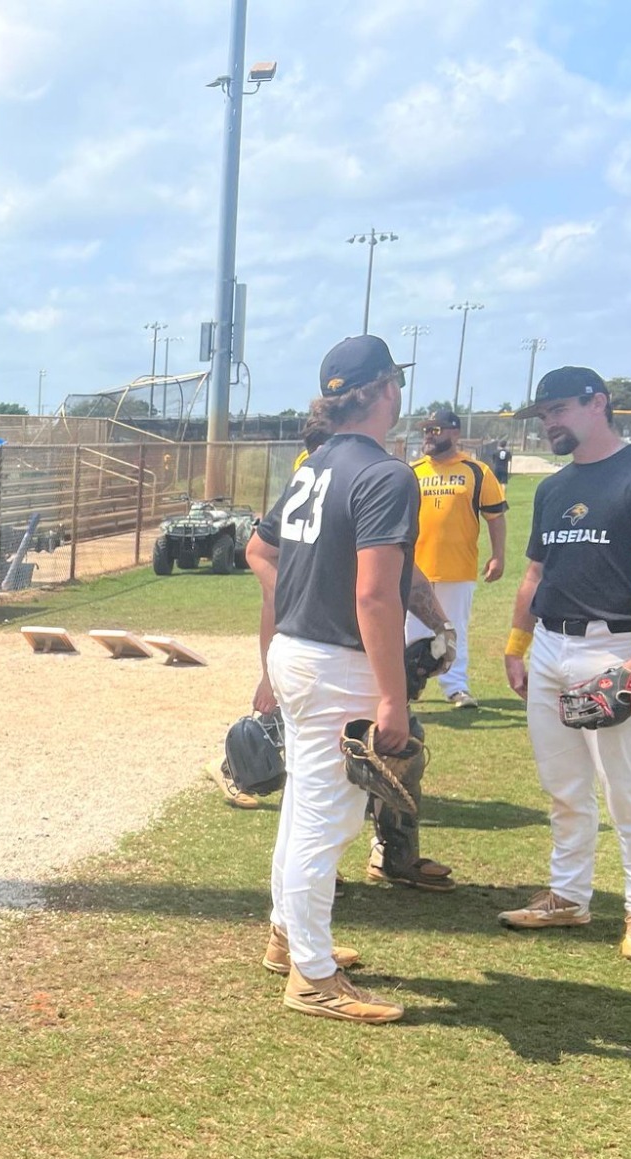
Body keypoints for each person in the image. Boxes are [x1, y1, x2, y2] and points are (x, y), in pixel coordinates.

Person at [245, 334, 422, 1024]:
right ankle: (312, 977)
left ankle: (289, 937)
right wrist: (392, 696)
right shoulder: (385, 473)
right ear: (384, 390)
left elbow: (261, 550)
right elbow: (378, 597)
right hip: (339, 661)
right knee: (327, 817)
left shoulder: (314, 463)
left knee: (304, 809)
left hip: (296, 650)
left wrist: (299, 596)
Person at [498, 367, 631, 963]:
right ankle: (569, 896)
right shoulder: (555, 489)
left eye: (559, 409)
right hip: (552, 645)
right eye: (544, 413)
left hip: (615, 646)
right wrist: (516, 643)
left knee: (625, 789)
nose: (550, 422)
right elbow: (535, 573)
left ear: (598, 403)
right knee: (563, 787)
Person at [409, 406, 507, 708]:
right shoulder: (413, 471)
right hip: (415, 569)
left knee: (454, 631)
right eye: (426, 429)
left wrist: (498, 556)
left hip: (457, 567)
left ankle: (456, 687)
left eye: (436, 429)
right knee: (410, 633)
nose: (429, 434)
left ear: (454, 433)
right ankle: (406, 687)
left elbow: (495, 516)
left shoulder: (476, 471)